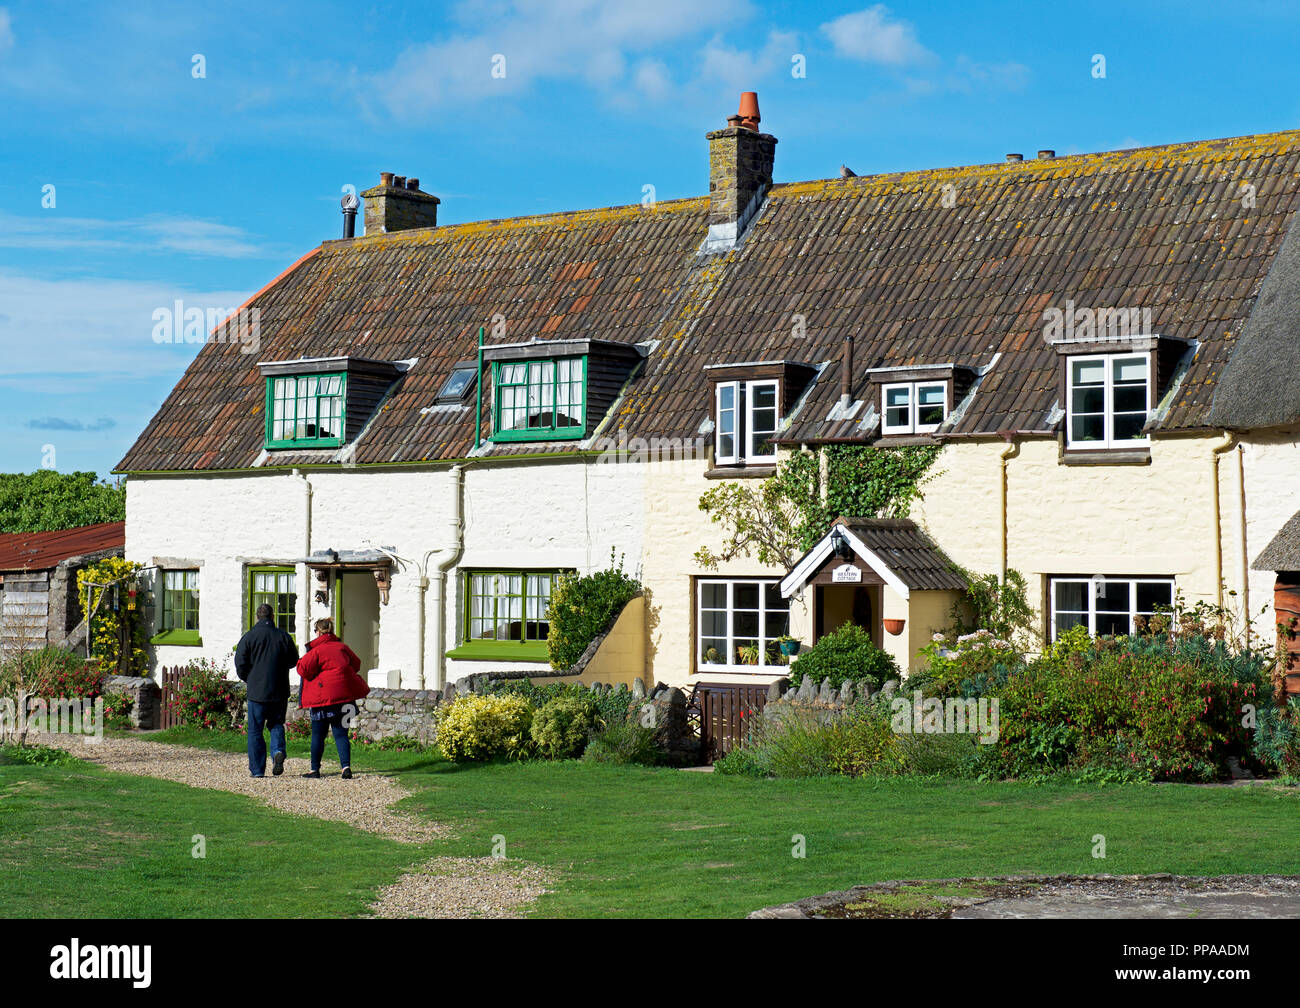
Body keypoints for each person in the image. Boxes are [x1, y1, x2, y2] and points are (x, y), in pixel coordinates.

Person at [296, 617, 370, 779]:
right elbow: (356, 664)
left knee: (318, 735)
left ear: (318, 632)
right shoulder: (342, 648)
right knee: (341, 734)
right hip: (344, 700)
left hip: (322, 701)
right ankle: (346, 767)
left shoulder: (316, 650)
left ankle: (314, 770)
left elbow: (302, 669)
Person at [234, 603, 299, 778]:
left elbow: (240, 663)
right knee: (276, 724)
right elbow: (294, 660)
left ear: (257, 617)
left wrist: (250, 678)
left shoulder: (249, 637)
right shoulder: (283, 636)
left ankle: (257, 770)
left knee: (255, 730)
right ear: (272, 617)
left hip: (257, 691)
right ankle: (277, 750)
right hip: (279, 689)